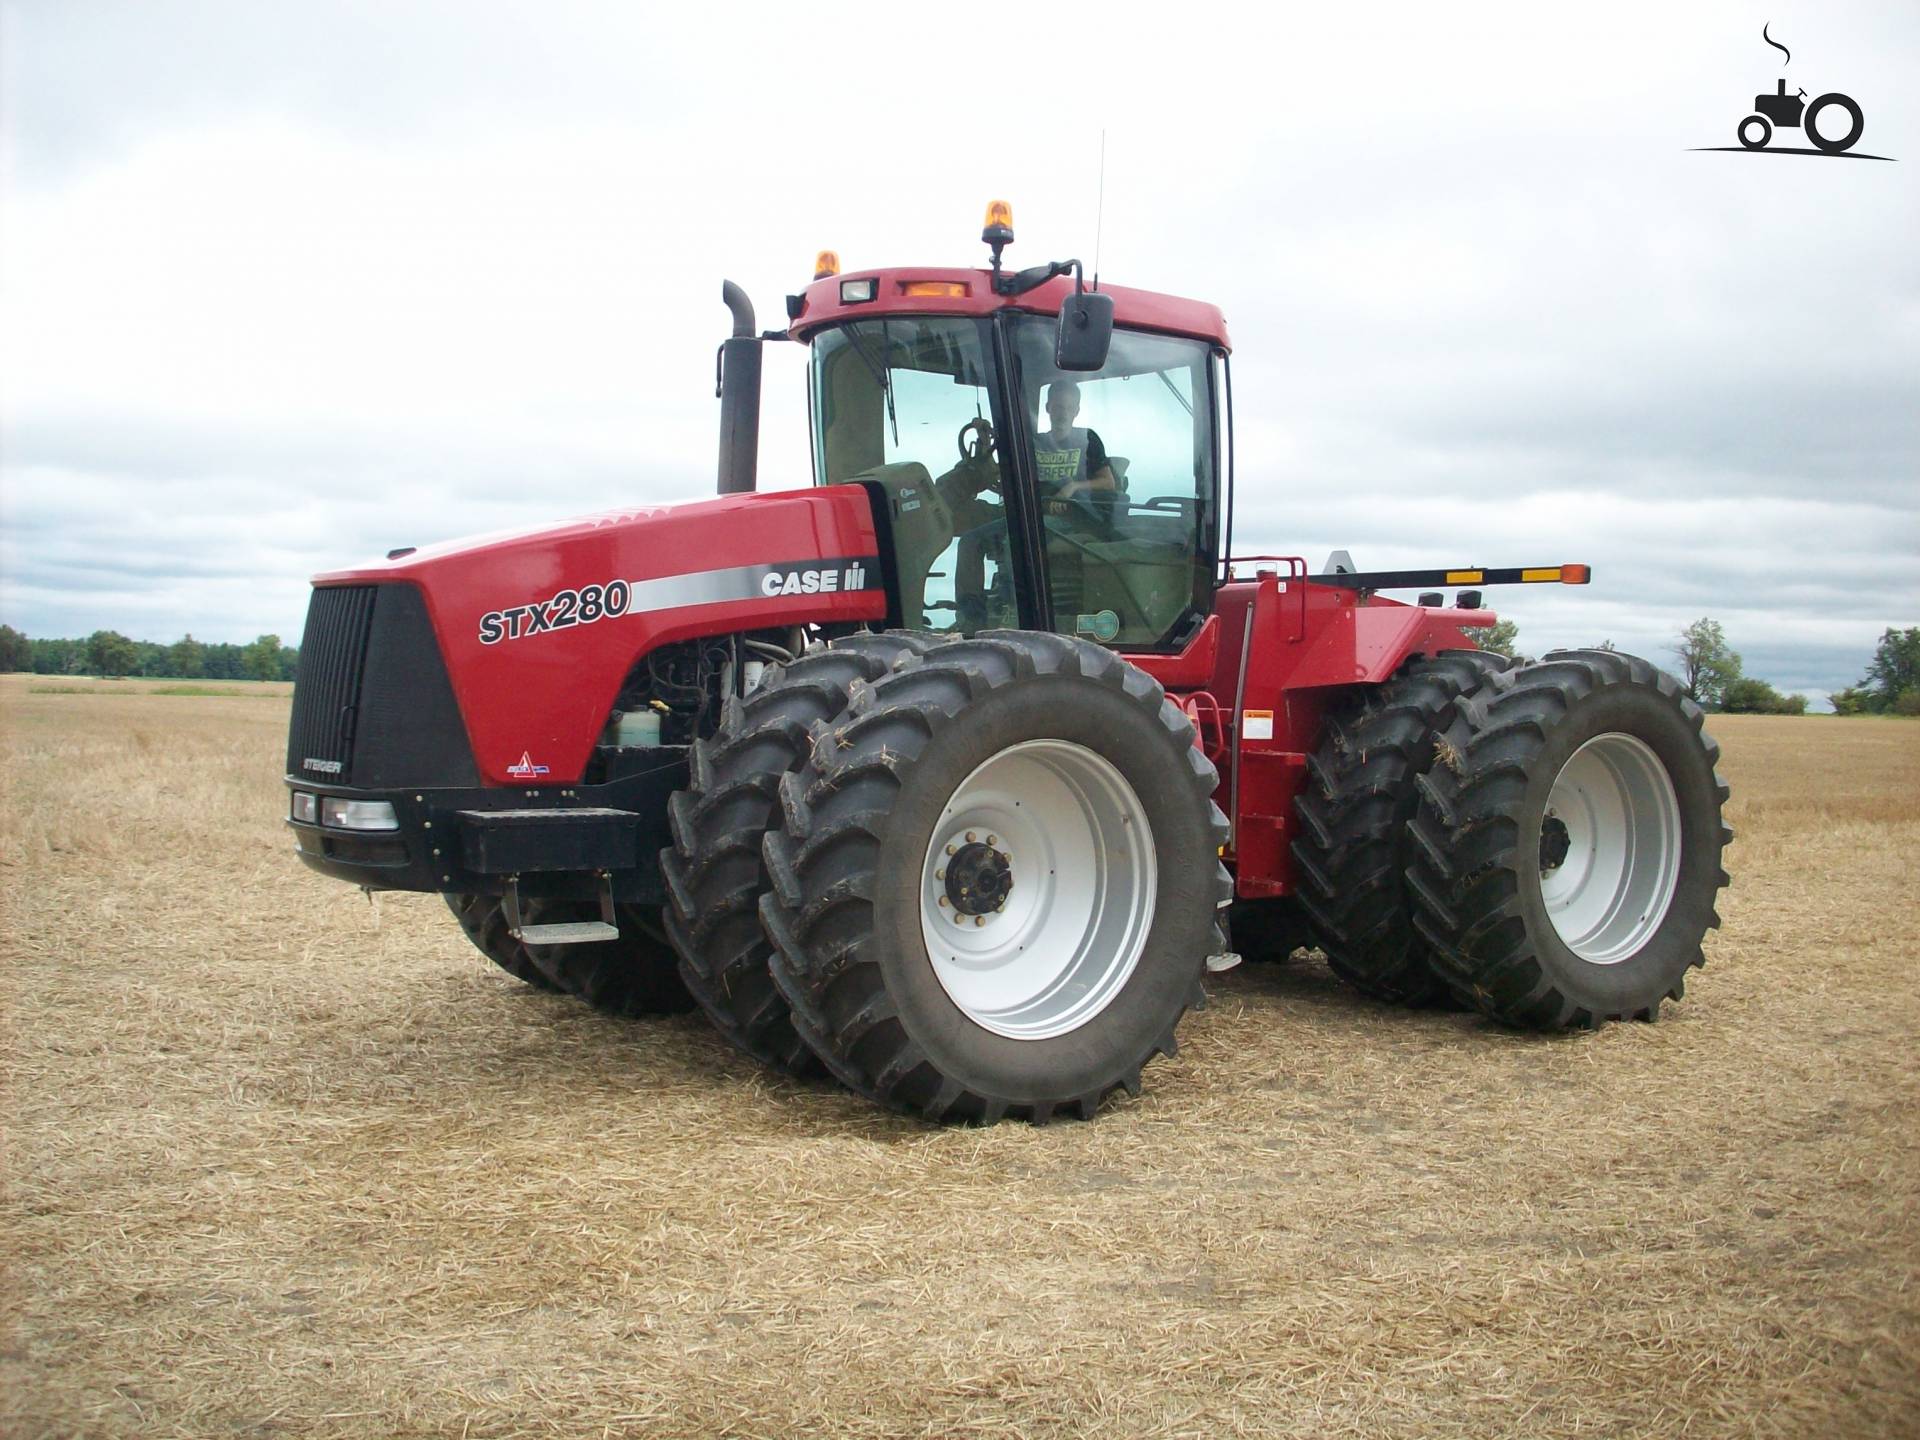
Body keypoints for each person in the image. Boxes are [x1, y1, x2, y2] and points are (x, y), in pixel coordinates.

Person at [1033, 381, 1118, 502]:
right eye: (1059, 407)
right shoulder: (1034, 442)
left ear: (1077, 411)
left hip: (1078, 514)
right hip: (1036, 512)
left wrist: (1073, 487)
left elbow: (1108, 483)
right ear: (1048, 407)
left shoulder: (1088, 439)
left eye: (1070, 408)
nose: (1064, 414)